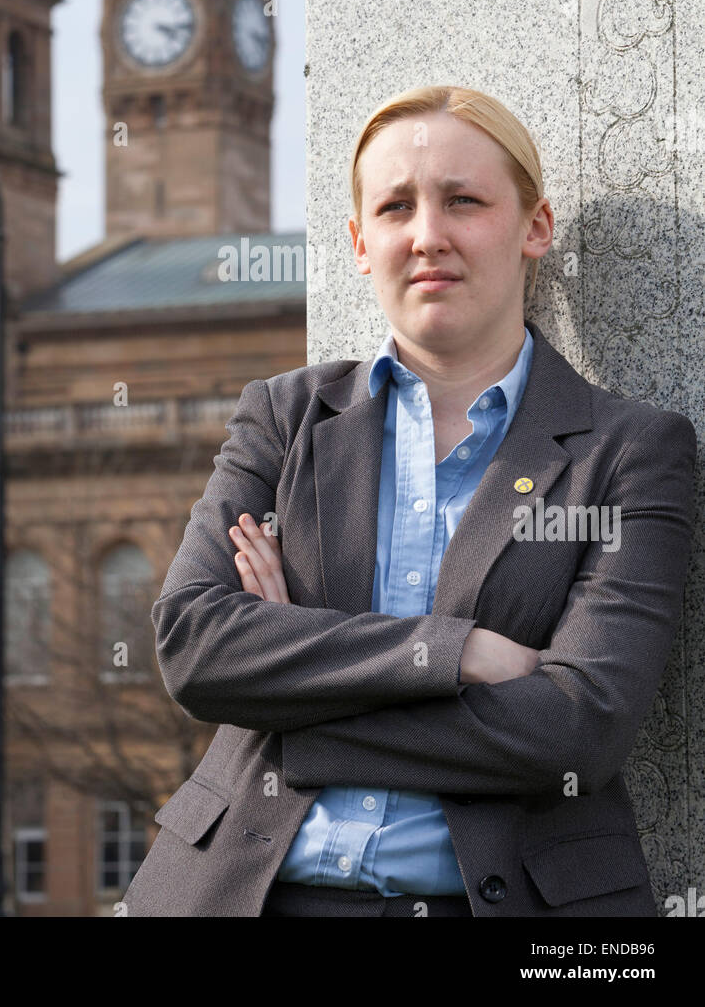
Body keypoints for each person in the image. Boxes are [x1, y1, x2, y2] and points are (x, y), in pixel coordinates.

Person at [121, 84, 698, 917]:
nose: (428, 236)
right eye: (396, 208)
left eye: (464, 200)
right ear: (360, 243)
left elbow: (578, 727)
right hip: (241, 894)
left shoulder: (630, 452)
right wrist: (452, 653)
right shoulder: (285, 418)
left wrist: (293, 698)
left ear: (535, 227)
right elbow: (195, 645)